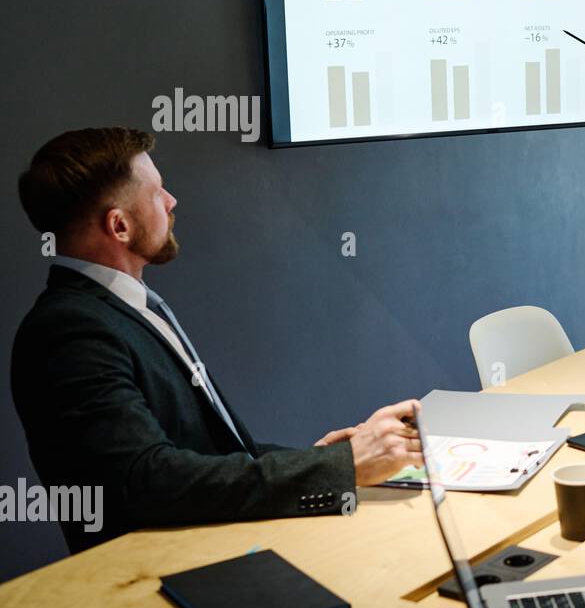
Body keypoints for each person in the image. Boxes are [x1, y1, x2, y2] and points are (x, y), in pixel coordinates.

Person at [12, 127, 424, 552]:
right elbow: (149, 483)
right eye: (156, 194)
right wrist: (343, 466)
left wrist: (322, 462)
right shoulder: (68, 332)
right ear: (119, 225)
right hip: (166, 580)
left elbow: (206, 454)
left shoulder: (122, 306)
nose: (172, 202)